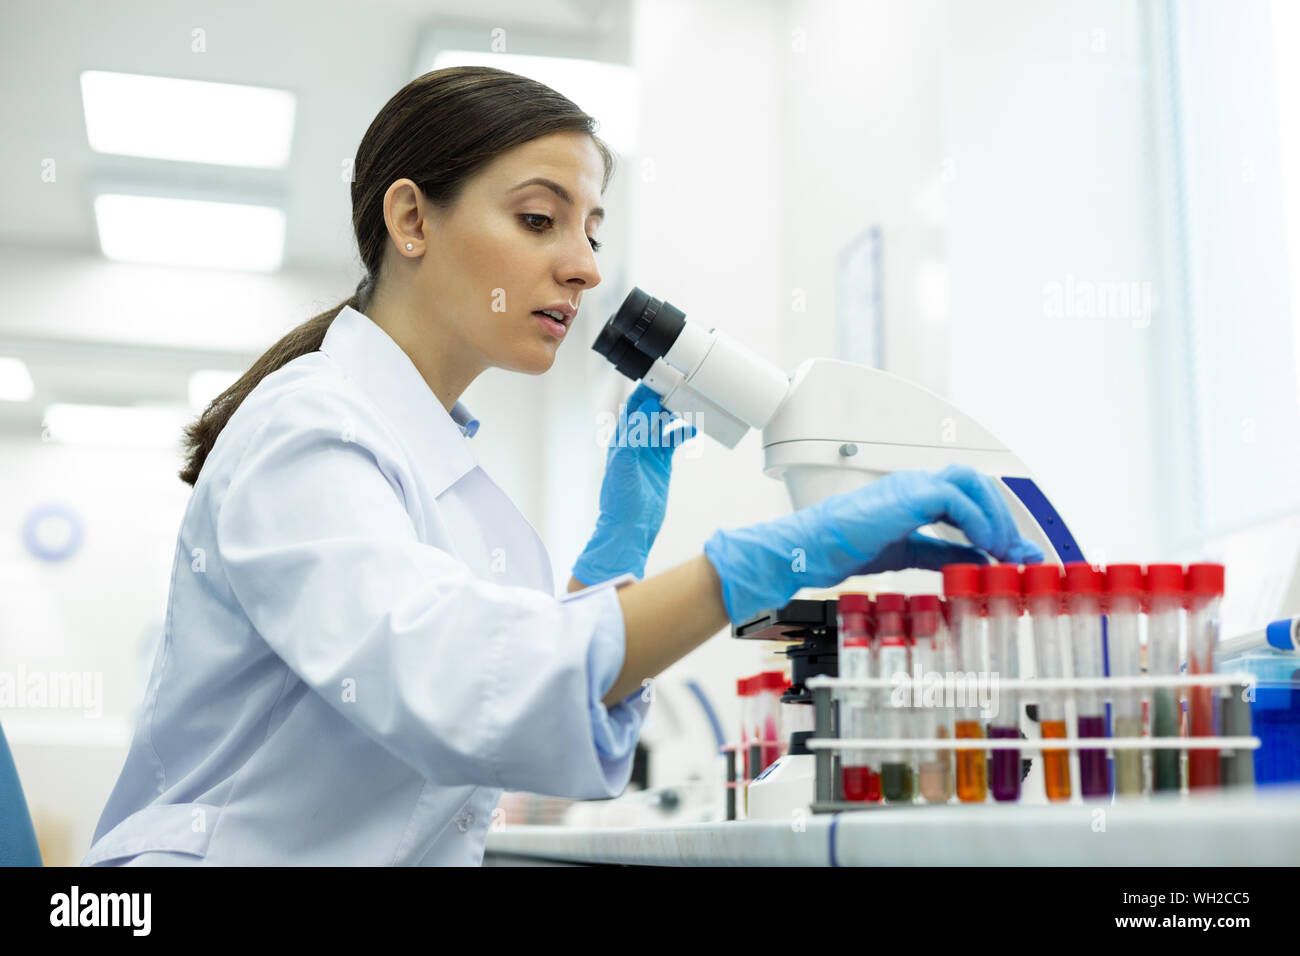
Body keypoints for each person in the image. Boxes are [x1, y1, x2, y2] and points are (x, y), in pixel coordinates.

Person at [81, 66, 1041, 867]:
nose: (583, 266)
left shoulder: (431, 458)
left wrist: (611, 557)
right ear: (410, 219)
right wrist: (756, 561)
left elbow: (511, 696)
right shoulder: (308, 432)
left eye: (591, 230)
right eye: (541, 220)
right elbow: (453, 681)